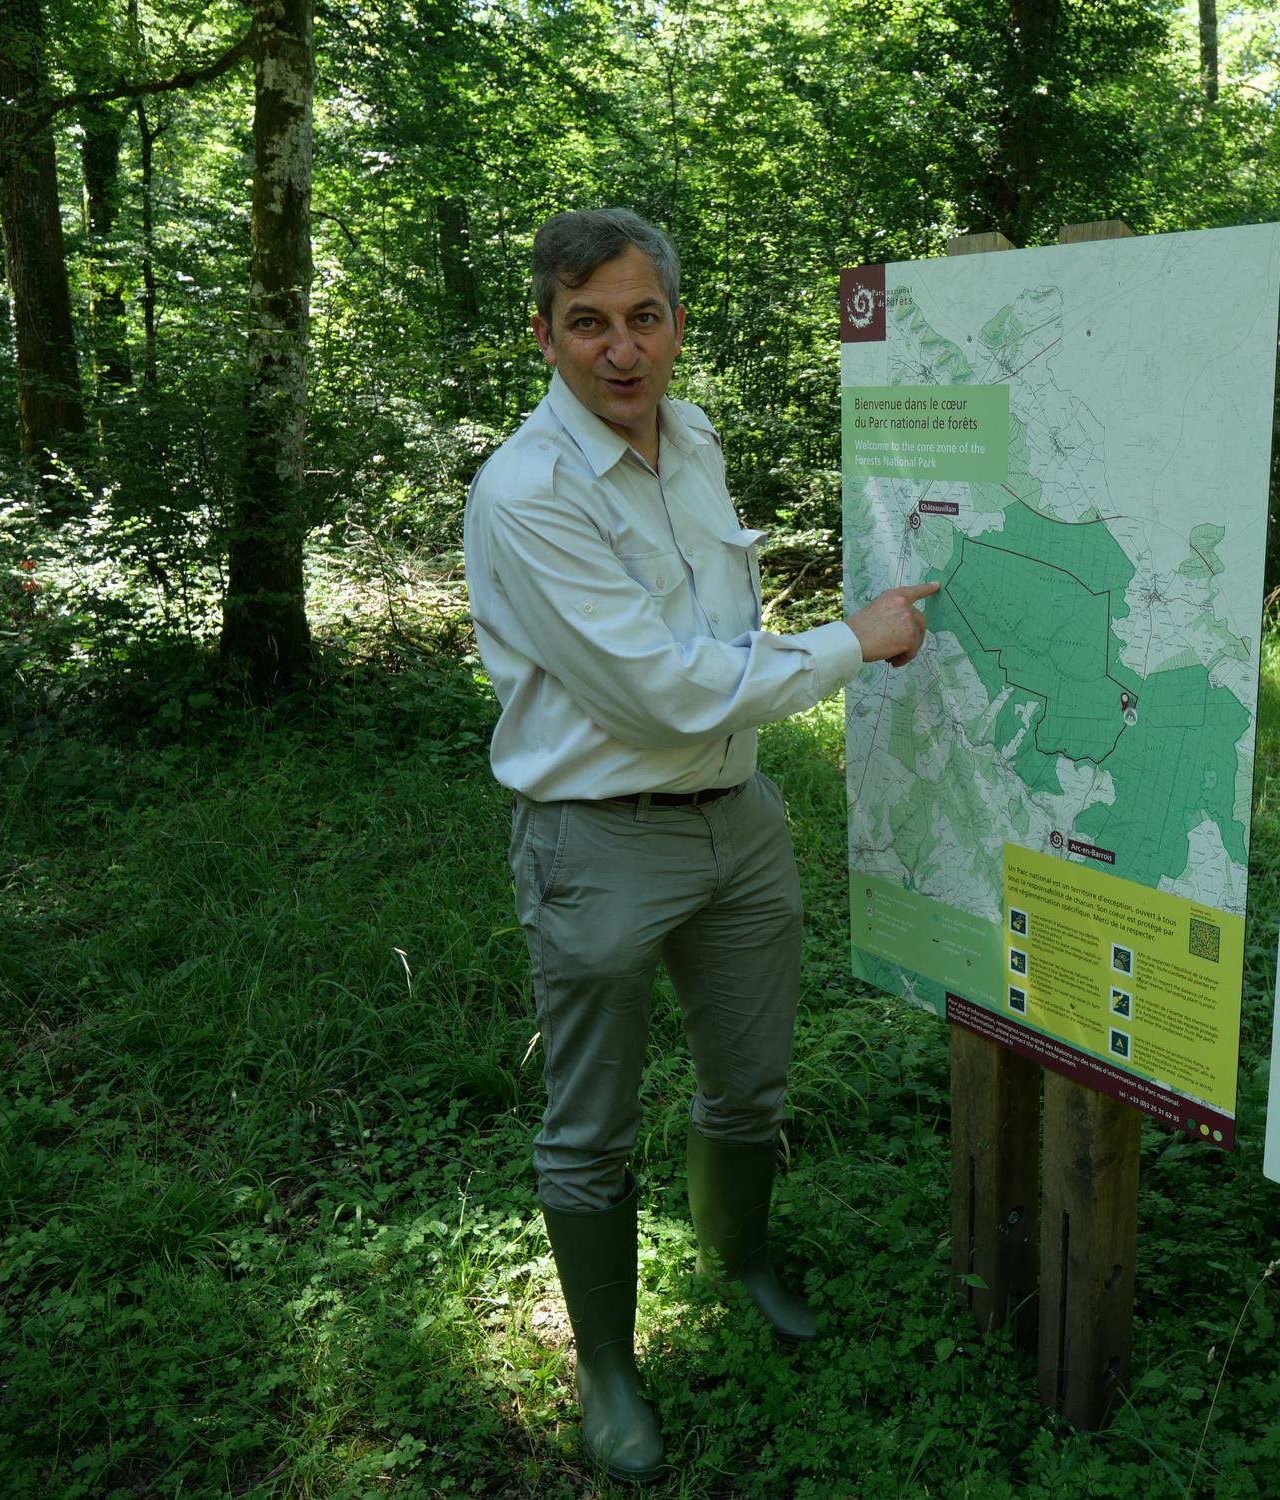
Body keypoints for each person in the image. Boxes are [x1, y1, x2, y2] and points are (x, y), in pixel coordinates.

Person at [462, 207, 936, 1482]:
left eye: (643, 318)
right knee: (591, 1126)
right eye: (588, 323)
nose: (621, 351)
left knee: (749, 1081)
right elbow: (661, 691)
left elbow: (717, 639)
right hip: (598, 841)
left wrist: (794, 667)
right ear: (544, 335)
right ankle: (609, 1373)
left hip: (739, 821)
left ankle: (741, 1257)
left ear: (676, 322)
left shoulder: (695, 438)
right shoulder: (528, 491)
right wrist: (852, 643)